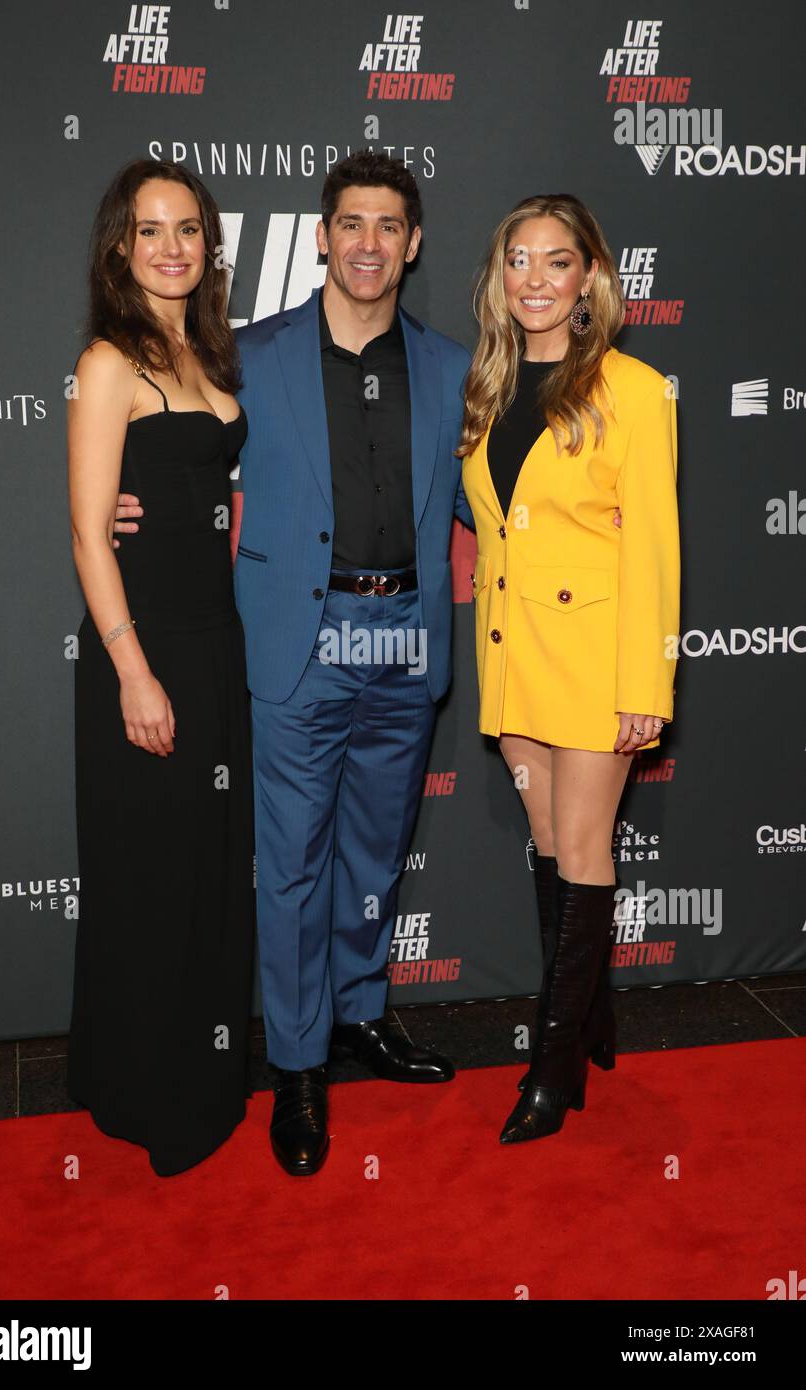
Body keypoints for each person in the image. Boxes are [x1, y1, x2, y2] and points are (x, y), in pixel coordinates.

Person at [113, 151, 476, 1177]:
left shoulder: (449, 368)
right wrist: (112, 499)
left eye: (387, 226)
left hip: (402, 636)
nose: (367, 243)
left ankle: (362, 1014)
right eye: (350, 224)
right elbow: (178, 445)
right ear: (322, 236)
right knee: (292, 865)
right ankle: (299, 1061)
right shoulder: (251, 354)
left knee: (370, 854)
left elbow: (486, 502)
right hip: (296, 644)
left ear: (411, 244)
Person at [458, 193, 679, 1143]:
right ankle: (591, 1019)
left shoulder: (632, 387)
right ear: (499, 278)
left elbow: (655, 552)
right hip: (515, 658)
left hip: (596, 661)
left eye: (558, 261)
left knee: (585, 853)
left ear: (590, 276)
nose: (536, 279)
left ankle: (549, 1077)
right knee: (549, 847)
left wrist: (645, 687)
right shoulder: (487, 387)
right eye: (520, 260)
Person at [67, 159, 254, 1176]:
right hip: (144, 648)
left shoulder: (209, 354)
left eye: (187, 229)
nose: (172, 247)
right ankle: (148, 1091)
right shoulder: (109, 361)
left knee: (206, 872)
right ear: (120, 247)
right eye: (151, 230)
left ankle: (203, 1066)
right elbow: (91, 534)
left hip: (216, 639)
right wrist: (133, 671)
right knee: (148, 876)